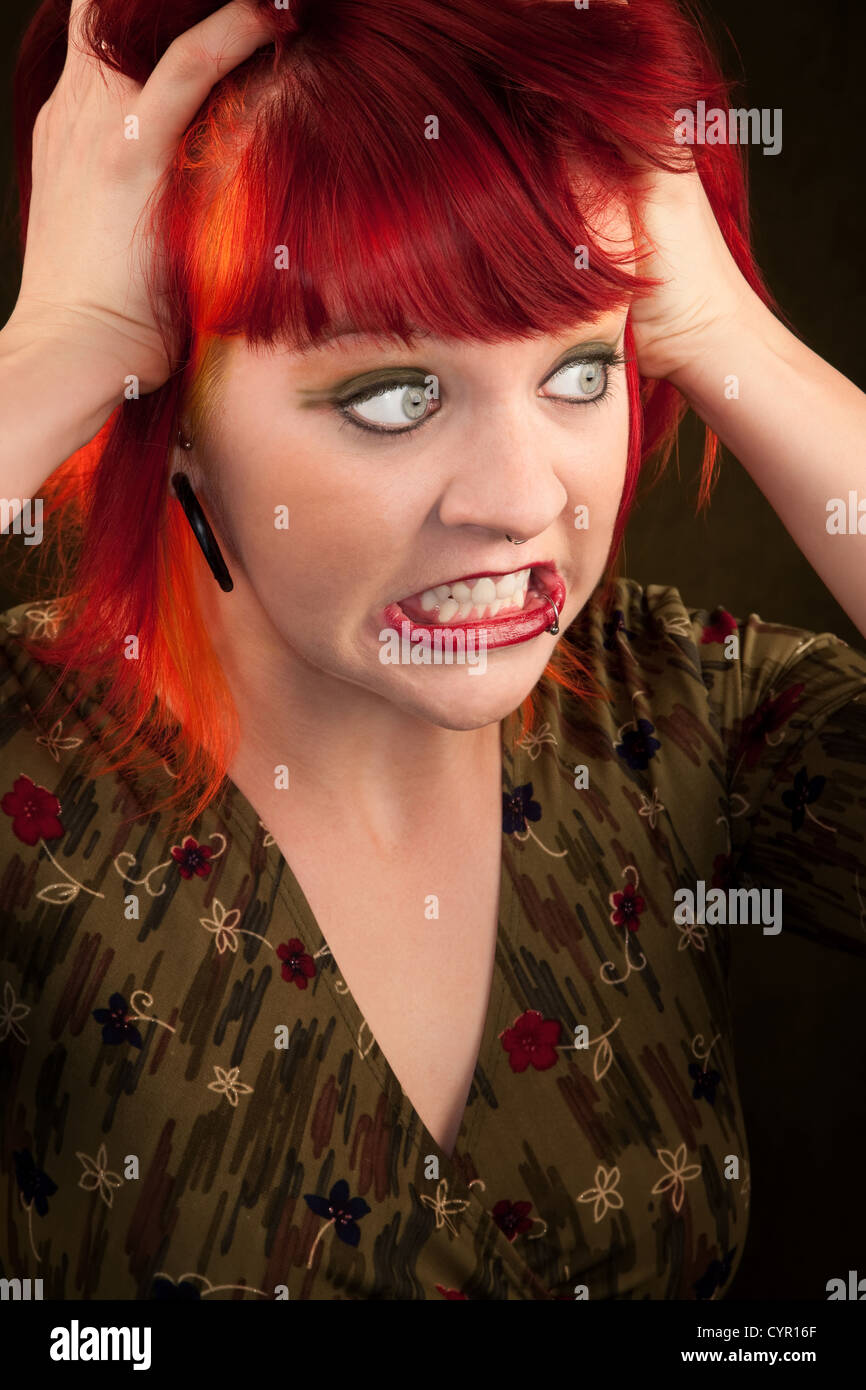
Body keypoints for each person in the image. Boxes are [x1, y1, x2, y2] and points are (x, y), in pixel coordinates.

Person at [0, 0, 864, 1302]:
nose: (522, 500)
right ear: (169, 406)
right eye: (395, 393)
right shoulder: (30, 764)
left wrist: (729, 333)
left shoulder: (684, 714)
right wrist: (60, 343)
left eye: (579, 373)